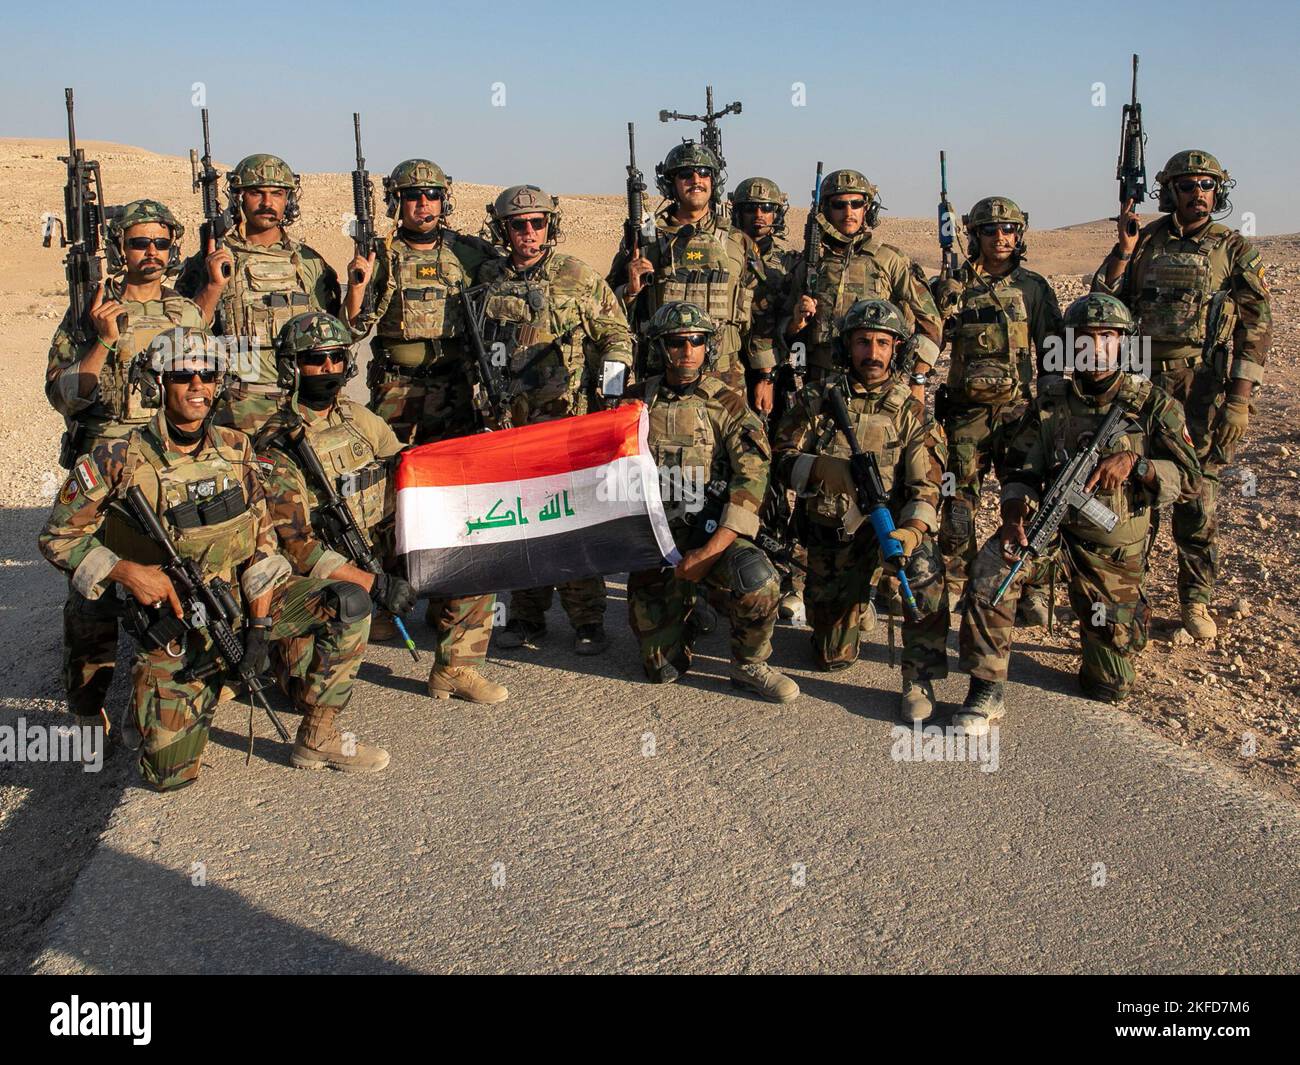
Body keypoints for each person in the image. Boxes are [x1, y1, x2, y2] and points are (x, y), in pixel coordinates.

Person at [38, 326, 388, 789]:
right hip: (179, 618)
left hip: (240, 603)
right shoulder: (117, 457)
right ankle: (176, 694)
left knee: (348, 603)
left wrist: (260, 631)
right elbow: (58, 536)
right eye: (184, 375)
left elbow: (263, 541)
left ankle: (318, 734)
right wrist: (127, 572)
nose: (198, 386)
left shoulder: (237, 447)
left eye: (208, 374)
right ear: (158, 383)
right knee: (168, 776)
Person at [956, 294, 1202, 732]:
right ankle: (985, 689)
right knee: (995, 568)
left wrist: (1137, 465)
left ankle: (1114, 623)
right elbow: (1021, 470)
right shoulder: (1051, 401)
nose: (1095, 348)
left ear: (1123, 344)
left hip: (1111, 553)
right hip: (1052, 535)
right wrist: (1013, 514)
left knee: (1108, 686)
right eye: (1084, 339)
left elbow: (1190, 480)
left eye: (1106, 338)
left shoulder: (1152, 405)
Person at [1092, 150, 1271, 640]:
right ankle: (1134, 598)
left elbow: (1255, 327)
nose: (1198, 194)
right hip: (1144, 385)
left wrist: (1239, 397)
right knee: (1134, 489)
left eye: (1207, 186)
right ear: (1170, 192)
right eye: (1188, 186)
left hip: (1203, 388)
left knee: (1198, 495)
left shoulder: (1233, 248)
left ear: (1219, 192)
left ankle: (1195, 600)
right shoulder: (1145, 242)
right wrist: (1123, 248)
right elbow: (1101, 301)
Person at [45, 199, 206, 732]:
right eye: (140, 243)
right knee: (92, 590)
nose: (152, 253)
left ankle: (181, 675)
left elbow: (204, 388)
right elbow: (65, 398)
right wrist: (102, 341)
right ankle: (89, 709)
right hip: (105, 464)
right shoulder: (92, 309)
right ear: (121, 248)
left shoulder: (184, 312)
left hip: (165, 464)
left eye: (161, 243)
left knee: (181, 568)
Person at [475, 185, 635, 655]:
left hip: (567, 423)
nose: (529, 232)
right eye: (519, 225)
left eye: (538, 223)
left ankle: (588, 621)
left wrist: (609, 395)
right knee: (523, 525)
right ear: (502, 229)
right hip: (512, 426)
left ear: (551, 225)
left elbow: (617, 336)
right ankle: (526, 619)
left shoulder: (577, 275)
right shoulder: (487, 277)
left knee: (573, 524)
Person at [773, 299, 949, 722]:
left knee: (924, 571)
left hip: (888, 530)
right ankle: (857, 599)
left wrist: (912, 530)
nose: (873, 352)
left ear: (896, 350)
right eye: (863, 342)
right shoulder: (817, 399)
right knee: (831, 657)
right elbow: (776, 458)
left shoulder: (911, 410)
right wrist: (819, 468)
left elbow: (928, 485)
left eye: (883, 343)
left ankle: (918, 677)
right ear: (846, 347)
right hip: (834, 531)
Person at [623, 301, 799, 703]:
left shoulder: (729, 405)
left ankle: (749, 662)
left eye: (696, 342)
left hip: (710, 534)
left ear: (709, 348)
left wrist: (708, 553)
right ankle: (692, 608)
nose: (687, 351)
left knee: (758, 580)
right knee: (661, 669)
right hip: (654, 540)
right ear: (660, 348)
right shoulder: (634, 404)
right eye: (676, 342)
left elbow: (751, 481)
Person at [932, 196, 1063, 623]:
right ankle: (957, 580)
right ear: (974, 236)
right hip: (966, 414)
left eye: (1008, 230)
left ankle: (1033, 586)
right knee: (957, 500)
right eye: (990, 230)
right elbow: (928, 336)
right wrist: (943, 299)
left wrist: (1050, 409)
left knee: (1027, 500)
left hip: (1018, 413)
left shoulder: (1034, 287)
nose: (1000, 238)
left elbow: (1053, 351)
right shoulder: (957, 284)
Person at [175, 154, 341, 433]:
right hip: (239, 408)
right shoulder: (211, 259)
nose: (267, 203)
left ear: (289, 198)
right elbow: (182, 335)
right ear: (238, 197)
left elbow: (338, 332)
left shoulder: (310, 262)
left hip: (303, 404)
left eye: (277, 193)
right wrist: (213, 286)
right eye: (256, 193)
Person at [345, 158, 500, 444]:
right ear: (397, 202)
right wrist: (356, 288)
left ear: (444, 201)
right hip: (396, 388)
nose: (424, 203)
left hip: (455, 386)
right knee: (396, 469)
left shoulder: (469, 254)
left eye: (432, 195)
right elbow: (352, 330)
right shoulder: (379, 256)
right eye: (413, 196)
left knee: (455, 473)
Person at [607, 142, 774, 405]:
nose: (696, 181)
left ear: (714, 181)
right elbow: (607, 309)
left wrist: (765, 376)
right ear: (670, 184)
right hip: (662, 375)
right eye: (686, 175)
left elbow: (761, 311)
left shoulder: (738, 242)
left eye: (703, 173)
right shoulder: (646, 240)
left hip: (724, 373)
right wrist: (629, 291)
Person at [780, 168, 941, 396]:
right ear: (825, 209)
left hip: (877, 386)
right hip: (820, 385)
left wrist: (918, 377)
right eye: (839, 205)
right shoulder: (809, 265)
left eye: (856, 204)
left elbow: (932, 323)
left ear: (867, 209)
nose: (849, 212)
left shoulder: (889, 260)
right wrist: (796, 323)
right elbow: (781, 328)